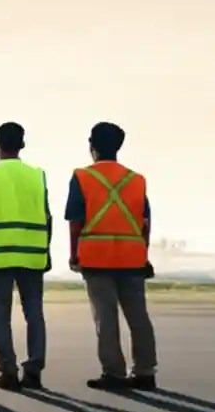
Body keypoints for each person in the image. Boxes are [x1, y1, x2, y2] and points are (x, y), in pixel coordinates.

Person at [66, 122, 158, 391]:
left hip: (97, 258)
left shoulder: (82, 177)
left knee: (105, 318)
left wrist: (74, 255)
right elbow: (144, 222)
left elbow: (75, 221)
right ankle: (145, 372)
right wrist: (144, 254)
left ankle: (114, 374)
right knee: (138, 316)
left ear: (91, 146)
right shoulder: (136, 179)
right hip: (132, 258)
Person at [0, 122, 51, 391]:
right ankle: (34, 372)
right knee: (34, 313)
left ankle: (8, 371)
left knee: (1, 314)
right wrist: (46, 250)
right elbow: (47, 216)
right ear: (22, 145)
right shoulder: (37, 175)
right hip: (32, 254)